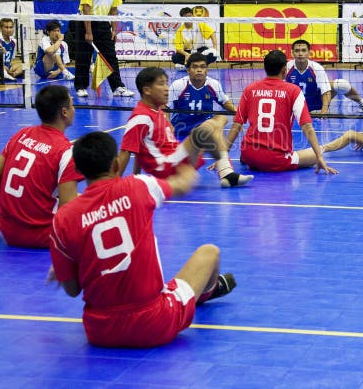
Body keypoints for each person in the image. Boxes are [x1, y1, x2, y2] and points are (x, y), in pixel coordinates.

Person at [49, 131, 236, 348]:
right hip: (154, 323)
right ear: (116, 166)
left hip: (100, 331)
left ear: (79, 171)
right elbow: (182, 185)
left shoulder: (63, 219)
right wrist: (188, 160)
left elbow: (72, 291)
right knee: (209, 253)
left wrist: (71, 267)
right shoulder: (138, 187)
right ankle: (202, 294)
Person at [117, 66, 252, 188]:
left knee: (217, 121)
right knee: (205, 131)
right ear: (147, 90)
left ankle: (226, 173)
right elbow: (125, 152)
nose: (166, 88)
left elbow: (140, 150)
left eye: (166, 83)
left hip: (175, 159)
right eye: (161, 84)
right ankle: (226, 171)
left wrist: (137, 177)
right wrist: (113, 185)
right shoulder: (140, 118)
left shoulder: (155, 111)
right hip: (166, 166)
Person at [0, 85, 83, 248]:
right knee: (92, 203)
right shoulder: (65, 152)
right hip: (45, 236)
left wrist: (3, 216)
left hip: (10, 232)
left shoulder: (21, 134)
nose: (74, 109)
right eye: (72, 105)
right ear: (64, 112)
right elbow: (67, 208)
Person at [225, 49, 338, 174]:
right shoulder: (293, 91)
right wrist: (319, 157)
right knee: (312, 157)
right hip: (277, 159)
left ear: (265, 68)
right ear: (284, 70)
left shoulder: (249, 89)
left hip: (249, 155)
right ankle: (320, 152)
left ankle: (253, 158)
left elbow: (236, 124)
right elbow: (306, 125)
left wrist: (223, 159)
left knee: (252, 152)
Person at [73, 0, 134, 98]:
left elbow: (114, 10)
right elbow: (86, 9)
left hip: (104, 23)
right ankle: (81, 87)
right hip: (86, 22)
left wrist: (114, 30)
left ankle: (118, 87)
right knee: (83, 56)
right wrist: (88, 32)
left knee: (111, 56)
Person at [285, 38, 363, 114]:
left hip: (316, 105)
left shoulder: (316, 68)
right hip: (293, 106)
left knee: (341, 84)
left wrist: (323, 113)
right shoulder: (287, 68)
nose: (300, 54)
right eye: (297, 51)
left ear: (309, 53)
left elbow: (326, 91)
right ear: (292, 53)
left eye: (303, 50)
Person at [168, 52, 235, 140]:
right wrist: (168, 127)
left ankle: (221, 152)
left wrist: (239, 116)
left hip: (204, 130)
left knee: (222, 118)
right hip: (182, 129)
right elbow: (165, 108)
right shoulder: (178, 85)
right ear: (188, 70)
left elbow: (225, 102)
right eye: (195, 67)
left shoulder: (214, 84)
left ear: (207, 69)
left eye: (203, 67)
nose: (199, 70)